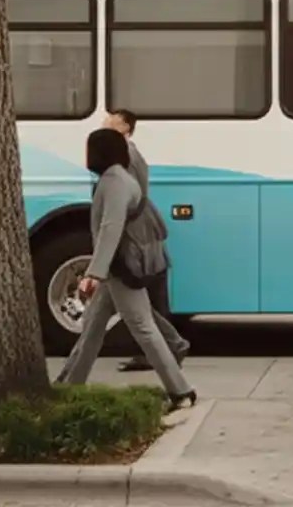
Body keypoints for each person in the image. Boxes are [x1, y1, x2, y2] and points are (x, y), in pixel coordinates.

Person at [56, 128, 196, 410]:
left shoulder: (114, 182)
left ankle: (180, 391)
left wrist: (94, 273)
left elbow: (111, 228)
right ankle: (68, 385)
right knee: (92, 328)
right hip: (116, 269)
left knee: (143, 328)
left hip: (120, 269)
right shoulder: (121, 176)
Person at [103, 109, 191, 373]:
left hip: (138, 233)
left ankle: (167, 348)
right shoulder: (128, 155)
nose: (105, 124)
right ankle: (167, 348)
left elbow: (125, 199)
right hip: (143, 232)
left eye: (111, 121)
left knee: (140, 295)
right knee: (143, 296)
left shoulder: (126, 157)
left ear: (126, 128)